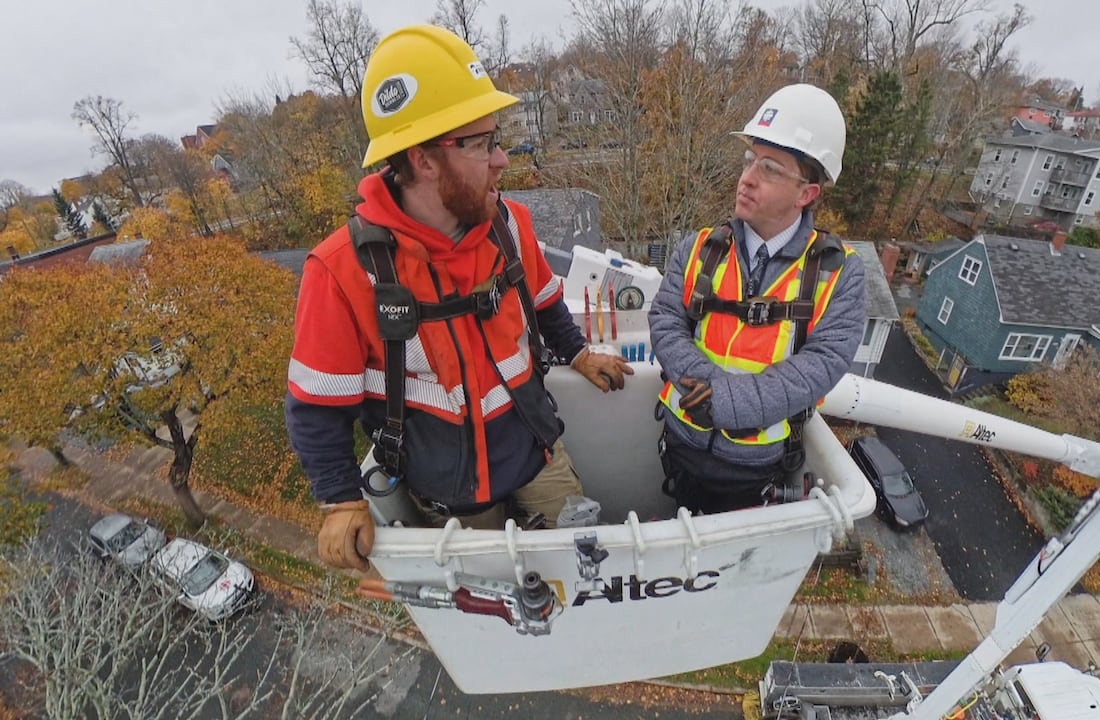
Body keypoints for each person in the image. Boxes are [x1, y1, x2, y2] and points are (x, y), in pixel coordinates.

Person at [285, 24, 632, 571]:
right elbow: (316, 406)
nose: (502, 159)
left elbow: (545, 301)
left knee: (583, 568)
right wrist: (340, 500)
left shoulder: (509, 226)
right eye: (482, 143)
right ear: (424, 159)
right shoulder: (343, 272)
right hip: (450, 492)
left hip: (536, 453)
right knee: (496, 598)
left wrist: (580, 354)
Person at [649, 83, 867, 514]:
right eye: (749, 160)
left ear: (807, 194)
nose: (747, 178)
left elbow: (820, 366)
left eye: (769, 169)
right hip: (682, 443)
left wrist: (725, 402)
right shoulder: (700, 248)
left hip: (753, 468)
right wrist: (706, 390)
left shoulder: (838, 273)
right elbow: (666, 320)